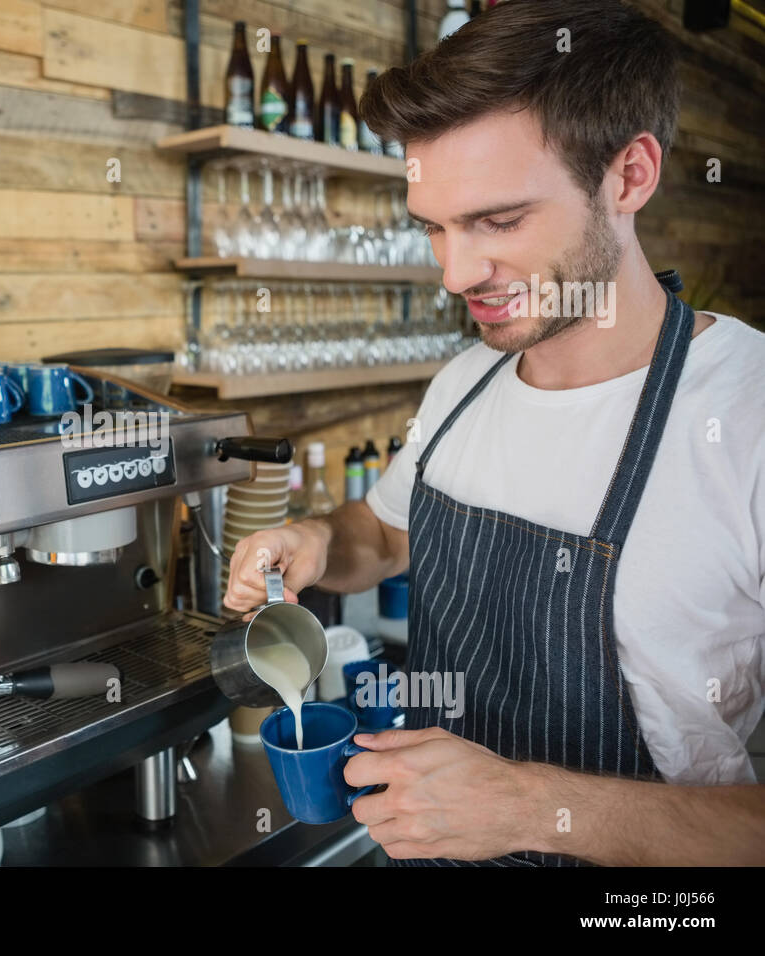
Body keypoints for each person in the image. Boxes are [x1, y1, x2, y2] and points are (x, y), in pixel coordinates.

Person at [223, 0, 765, 865]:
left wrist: (531, 807)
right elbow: (388, 531)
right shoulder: (465, 381)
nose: (455, 273)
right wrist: (320, 539)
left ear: (629, 175)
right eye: (434, 227)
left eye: (497, 221)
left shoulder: (747, 415)